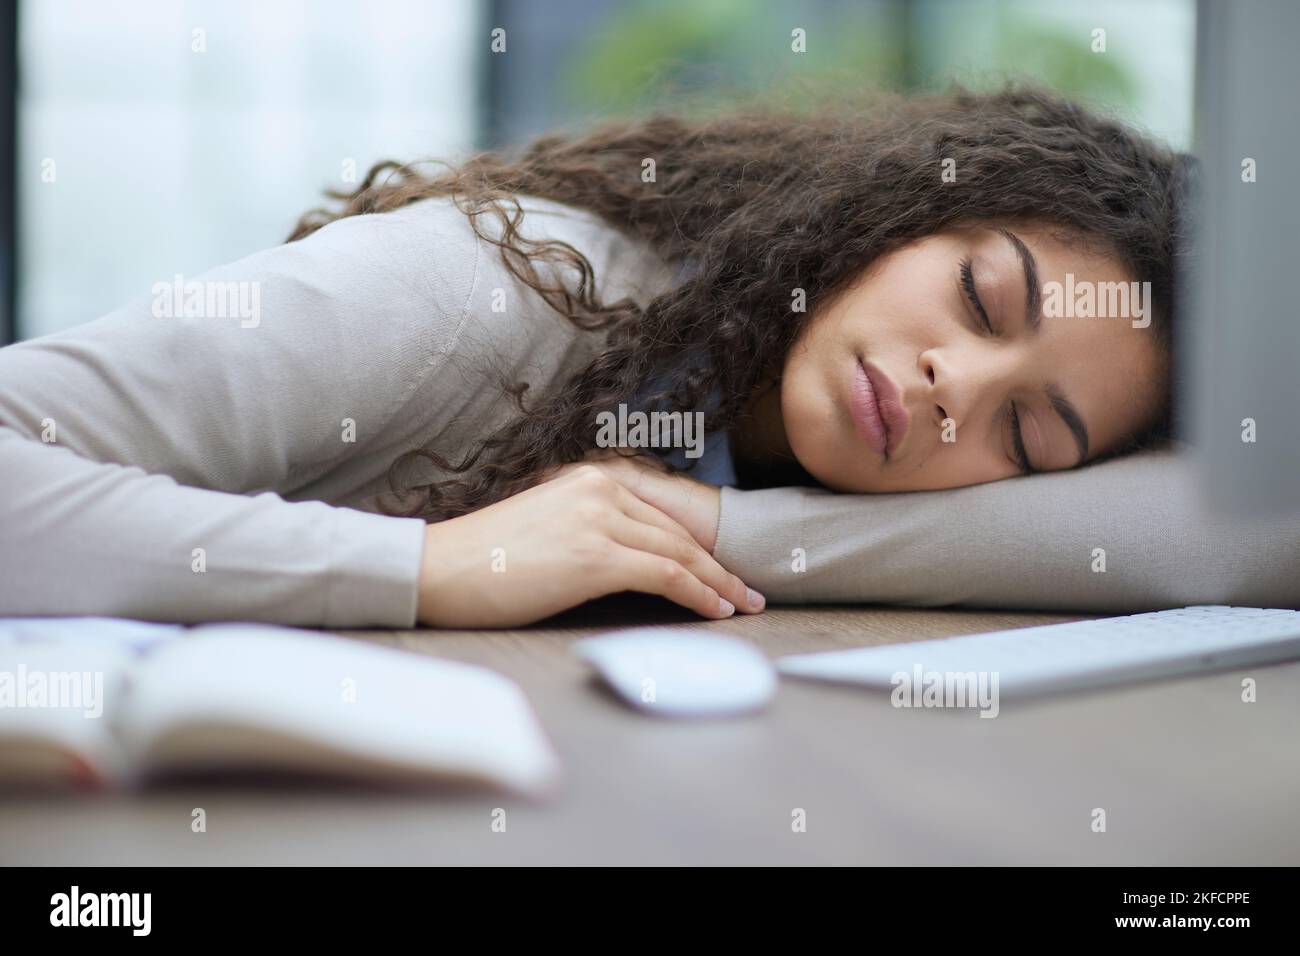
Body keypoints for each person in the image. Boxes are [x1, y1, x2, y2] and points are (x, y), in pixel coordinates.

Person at [1, 87, 1232, 629]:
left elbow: (1241, 531)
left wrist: (726, 532)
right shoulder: (487, 290)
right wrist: (428, 567)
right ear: (894, 208)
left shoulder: (732, 452)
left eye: (1026, 437)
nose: (952, 386)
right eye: (979, 295)